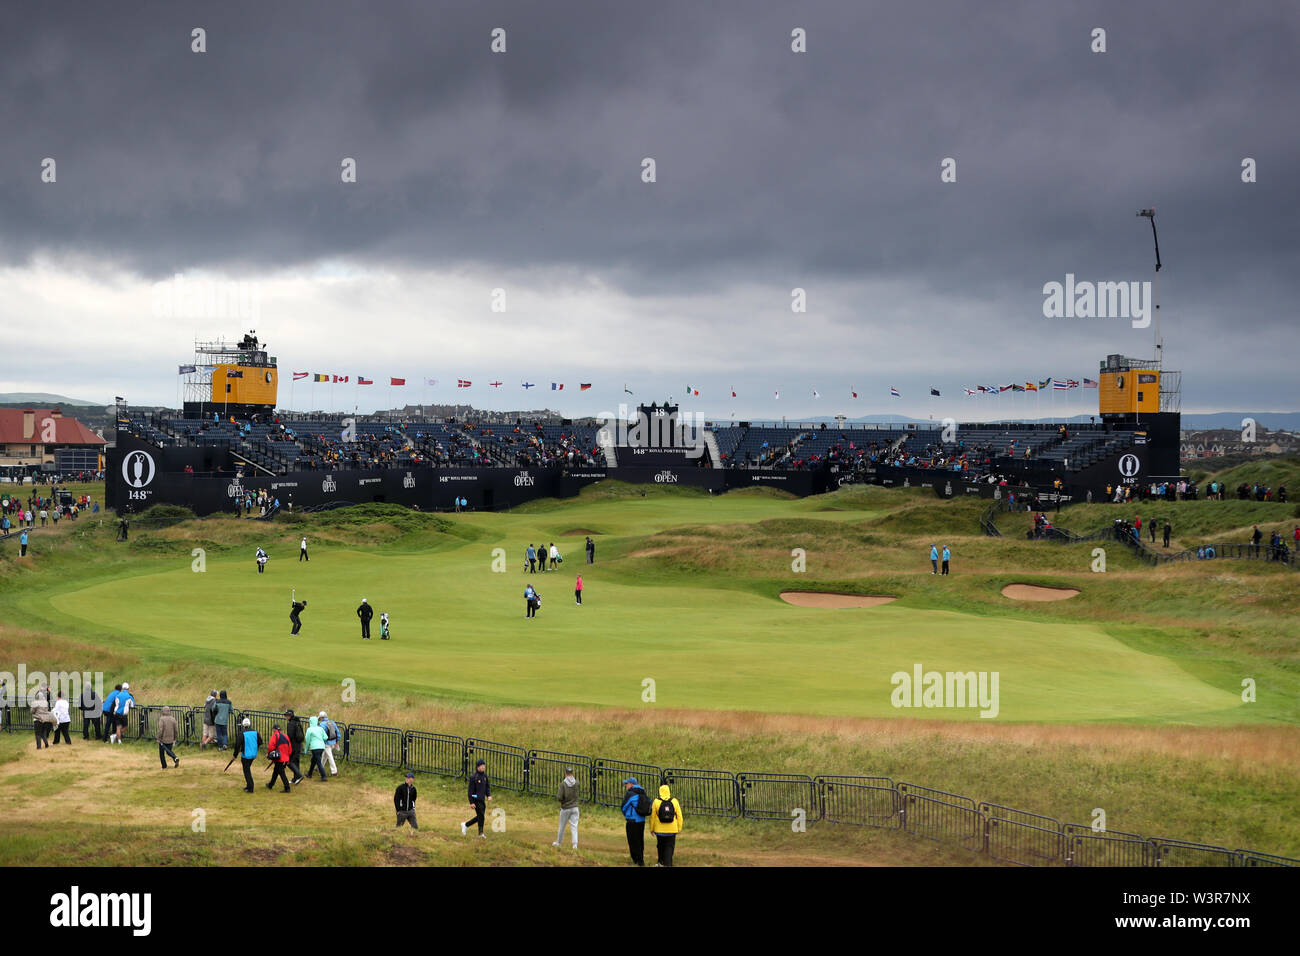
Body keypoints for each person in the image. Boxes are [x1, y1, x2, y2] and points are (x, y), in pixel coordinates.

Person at [648, 783, 684, 867]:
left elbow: (652, 817)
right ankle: (668, 863)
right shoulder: (674, 801)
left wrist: (651, 828)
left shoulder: (656, 801)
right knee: (669, 846)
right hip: (672, 829)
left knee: (660, 845)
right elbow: (679, 816)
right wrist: (679, 827)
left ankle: (661, 862)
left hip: (659, 829)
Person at [621, 777, 650, 866]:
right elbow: (649, 803)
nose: (626, 785)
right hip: (641, 820)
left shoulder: (630, 794)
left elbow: (623, 807)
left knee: (632, 841)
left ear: (631, 784)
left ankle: (636, 860)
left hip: (632, 820)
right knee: (640, 840)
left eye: (627, 783)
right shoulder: (643, 792)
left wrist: (627, 815)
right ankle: (641, 859)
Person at [462, 758, 491, 838]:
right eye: (482, 766)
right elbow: (470, 791)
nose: (483, 767)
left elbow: (487, 787)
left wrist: (488, 795)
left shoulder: (485, 776)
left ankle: (465, 825)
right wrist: (471, 802)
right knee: (481, 816)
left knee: (480, 816)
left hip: (482, 799)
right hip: (475, 799)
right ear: (478, 767)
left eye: (484, 766)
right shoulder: (474, 777)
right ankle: (480, 833)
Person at [553, 766, 580, 849]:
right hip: (575, 807)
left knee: (562, 826)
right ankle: (575, 845)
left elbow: (559, 797)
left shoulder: (563, 784)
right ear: (572, 773)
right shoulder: (577, 783)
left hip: (565, 808)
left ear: (565, 773)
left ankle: (559, 842)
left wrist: (563, 801)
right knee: (574, 826)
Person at [266, 724, 293, 792]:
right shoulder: (286, 736)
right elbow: (290, 748)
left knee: (281, 772)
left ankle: (287, 788)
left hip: (278, 757)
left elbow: (271, 746)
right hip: (285, 757)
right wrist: (287, 755)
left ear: (274, 729)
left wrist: (269, 754)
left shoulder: (275, 735)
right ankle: (270, 785)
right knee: (276, 770)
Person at [237, 718, 261, 793]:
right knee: (247, 769)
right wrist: (254, 747)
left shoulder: (242, 733)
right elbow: (260, 741)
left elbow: (237, 744)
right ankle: (248, 786)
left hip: (245, 755)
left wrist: (235, 754)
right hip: (253, 754)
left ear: (243, 725)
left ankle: (250, 787)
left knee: (246, 771)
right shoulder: (255, 732)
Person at [304, 715, 328, 781]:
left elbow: (307, 740)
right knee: (313, 760)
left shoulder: (309, 729)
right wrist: (320, 739)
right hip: (322, 746)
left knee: (318, 762)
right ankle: (310, 773)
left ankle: (324, 776)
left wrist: (306, 749)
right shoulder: (320, 728)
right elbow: (326, 737)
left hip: (315, 747)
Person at [285, 710, 305, 784]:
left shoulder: (290, 724)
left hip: (293, 745)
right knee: (296, 762)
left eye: (287, 715)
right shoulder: (298, 722)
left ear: (291, 716)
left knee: (289, 762)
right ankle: (295, 778)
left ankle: (299, 776)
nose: (286, 717)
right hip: (299, 745)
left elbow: (290, 736)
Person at [319, 710, 339, 776]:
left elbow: (321, 734)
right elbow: (338, 733)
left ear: (321, 717)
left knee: (330, 757)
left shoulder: (322, 724)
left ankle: (334, 772)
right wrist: (336, 741)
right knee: (324, 755)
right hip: (333, 742)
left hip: (326, 743)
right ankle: (320, 767)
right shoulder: (332, 722)